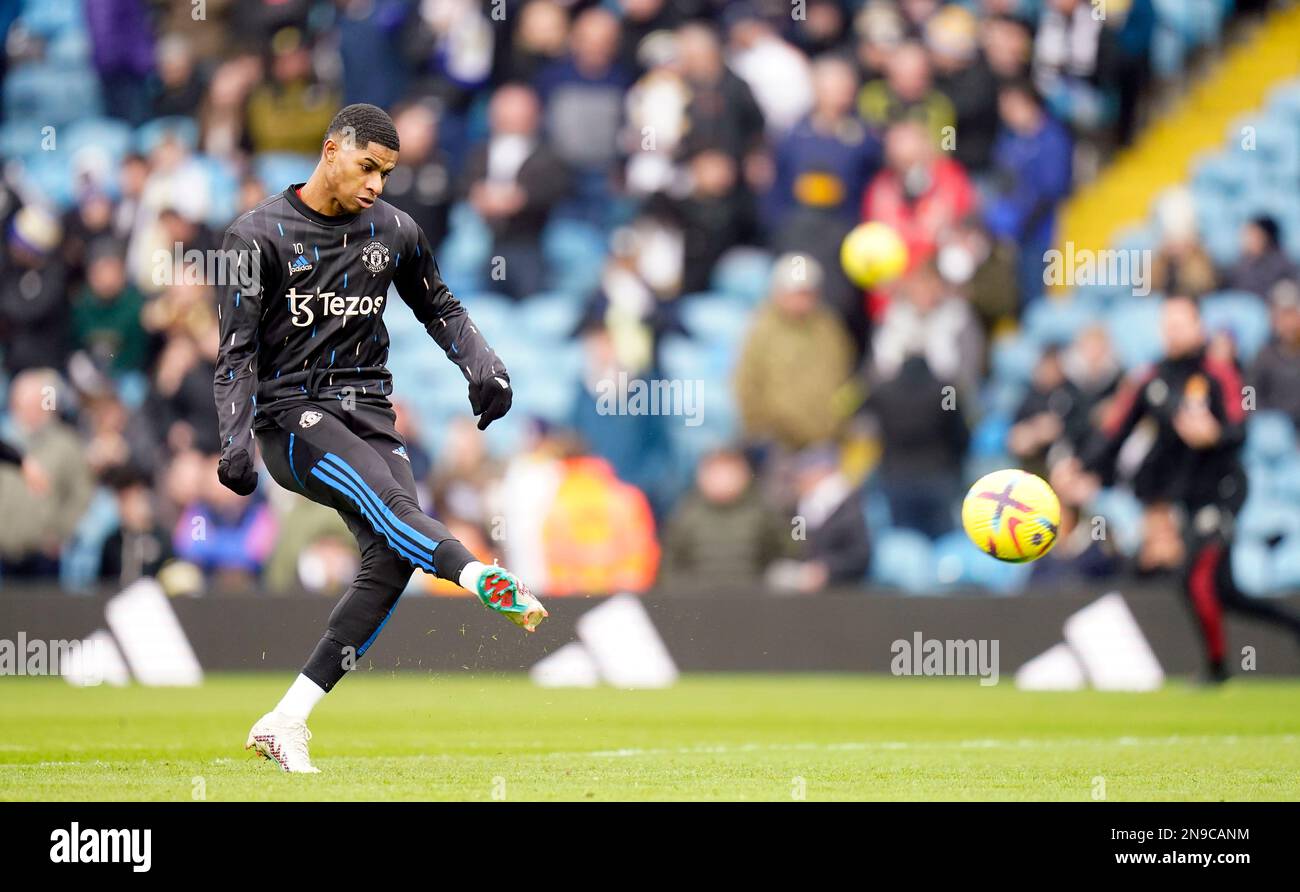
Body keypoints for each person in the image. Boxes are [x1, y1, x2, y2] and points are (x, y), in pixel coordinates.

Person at [211, 104, 546, 773]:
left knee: (392, 557)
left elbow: (440, 306)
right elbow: (236, 354)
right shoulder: (255, 236)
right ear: (332, 149)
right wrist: (235, 439)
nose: (376, 185)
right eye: (368, 166)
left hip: (369, 411)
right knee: (400, 520)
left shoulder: (394, 230)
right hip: (294, 418)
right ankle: (479, 577)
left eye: (386, 173)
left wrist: (484, 365)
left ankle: (287, 719)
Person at [1065, 295, 1300, 681]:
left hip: (1223, 488)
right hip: (1189, 495)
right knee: (1223, 592)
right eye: (1168, 324)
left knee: (1196, 577)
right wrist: (1082, 467)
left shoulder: (1218, 372)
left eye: (1181, 323)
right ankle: (1292, 628)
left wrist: (1215, 434)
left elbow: (1240, 427)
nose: (1174, 332)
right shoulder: (1151, 378)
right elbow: (1115, 434)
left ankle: (1217, 669)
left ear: (1198, 326)